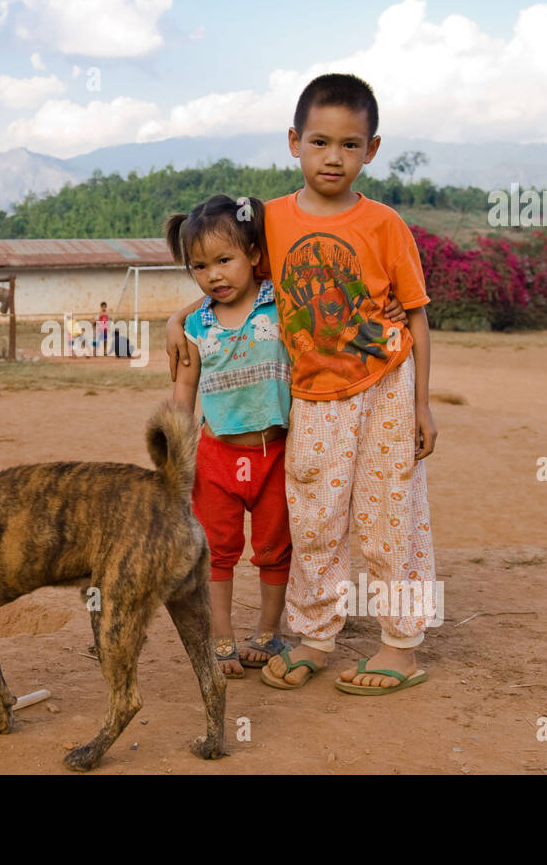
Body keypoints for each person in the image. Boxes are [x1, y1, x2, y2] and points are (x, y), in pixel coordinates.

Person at [167, 73, 436, 695]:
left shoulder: (386, 224)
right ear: (294, 142)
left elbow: (416, 312)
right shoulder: (271, 221)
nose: (333, 156)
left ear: (371, 149)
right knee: (312, 515)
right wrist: (177, 316)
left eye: (349, 144)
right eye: (320, 142)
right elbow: (227, 276)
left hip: (386, 383)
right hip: (311, 395)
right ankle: (315, 633)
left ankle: (400, 644)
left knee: (388, 511)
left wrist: (422, 404)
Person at [165, 194, 293, 677]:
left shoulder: (278, 303)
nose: (214, 275)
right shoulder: (196, 328)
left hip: (276, 454)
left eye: (224, 260)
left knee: (274, 547)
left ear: (255, 255)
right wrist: (175, 455)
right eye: (199, 267)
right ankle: (221, 636)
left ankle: (267, 631)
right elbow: (183, 390)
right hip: (217, 458)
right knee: (217, 552)